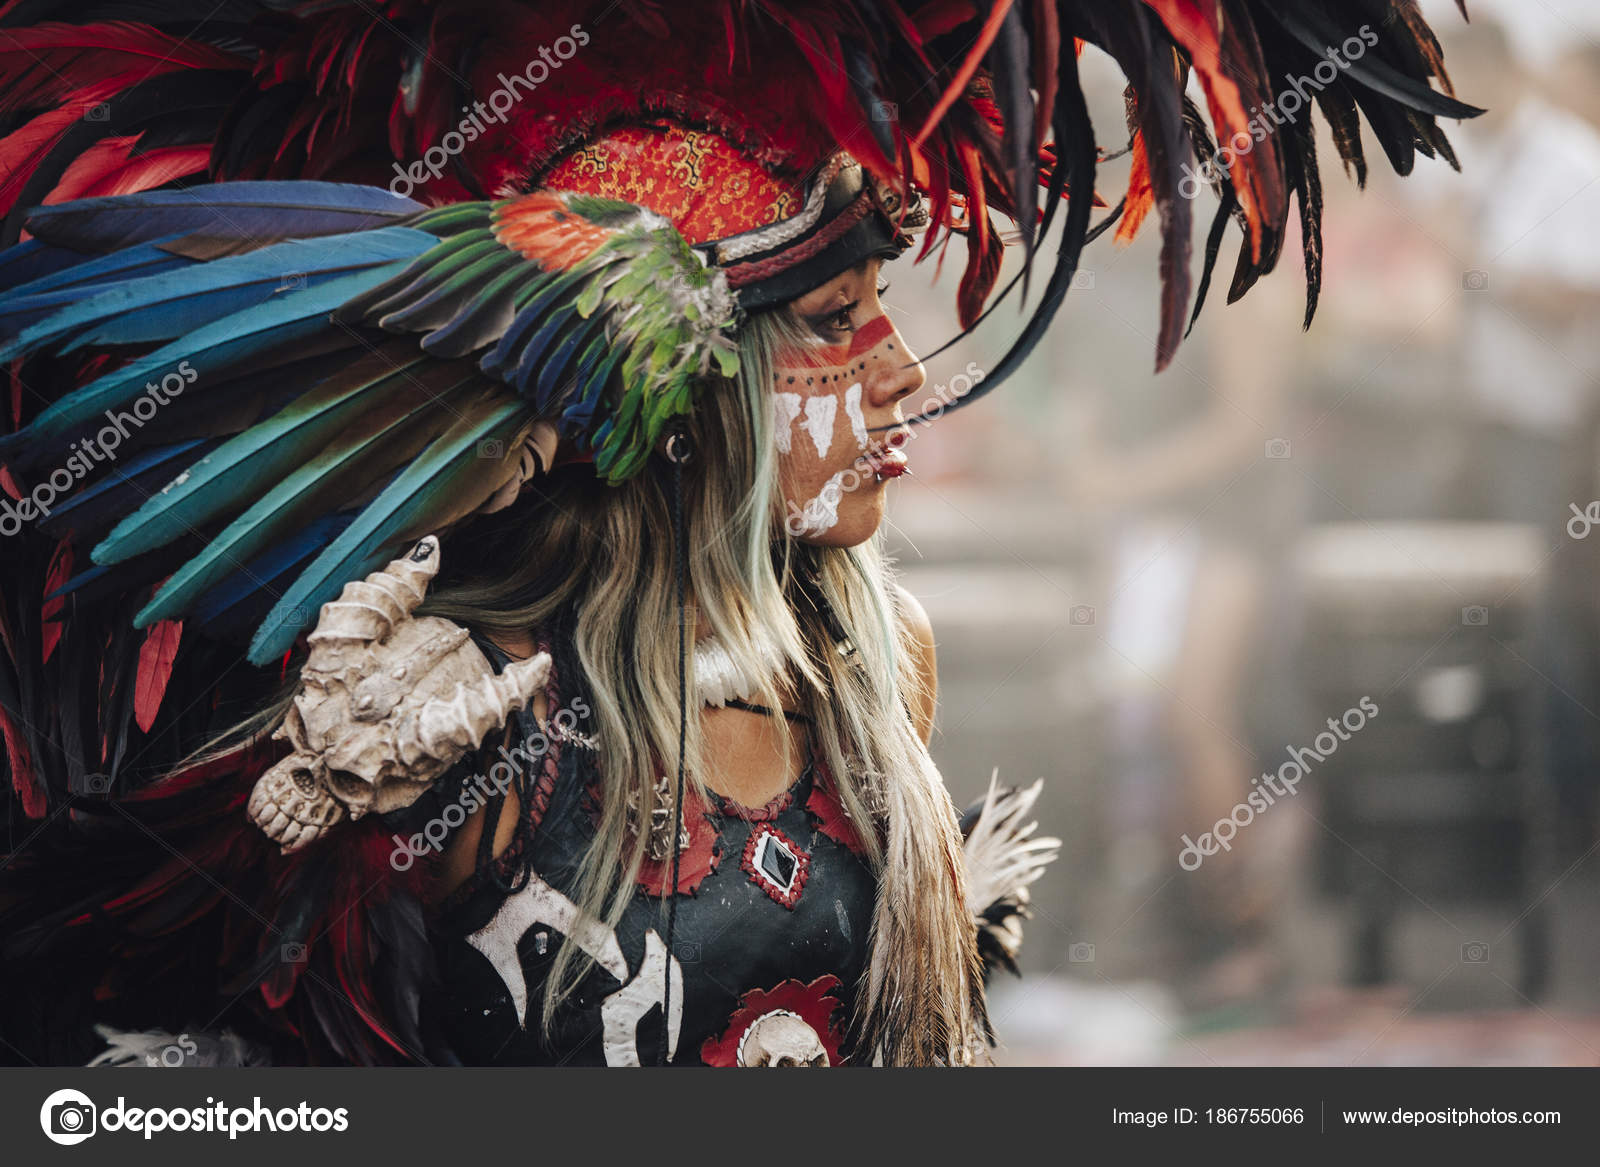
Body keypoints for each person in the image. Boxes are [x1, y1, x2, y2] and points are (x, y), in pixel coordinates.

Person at [0, 0, 1475, 1066]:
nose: (903, 372)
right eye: (837, 325)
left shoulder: (873, 659)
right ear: (685, 401)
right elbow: (138, 1036)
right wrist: (288, 819)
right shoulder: (433, 715)